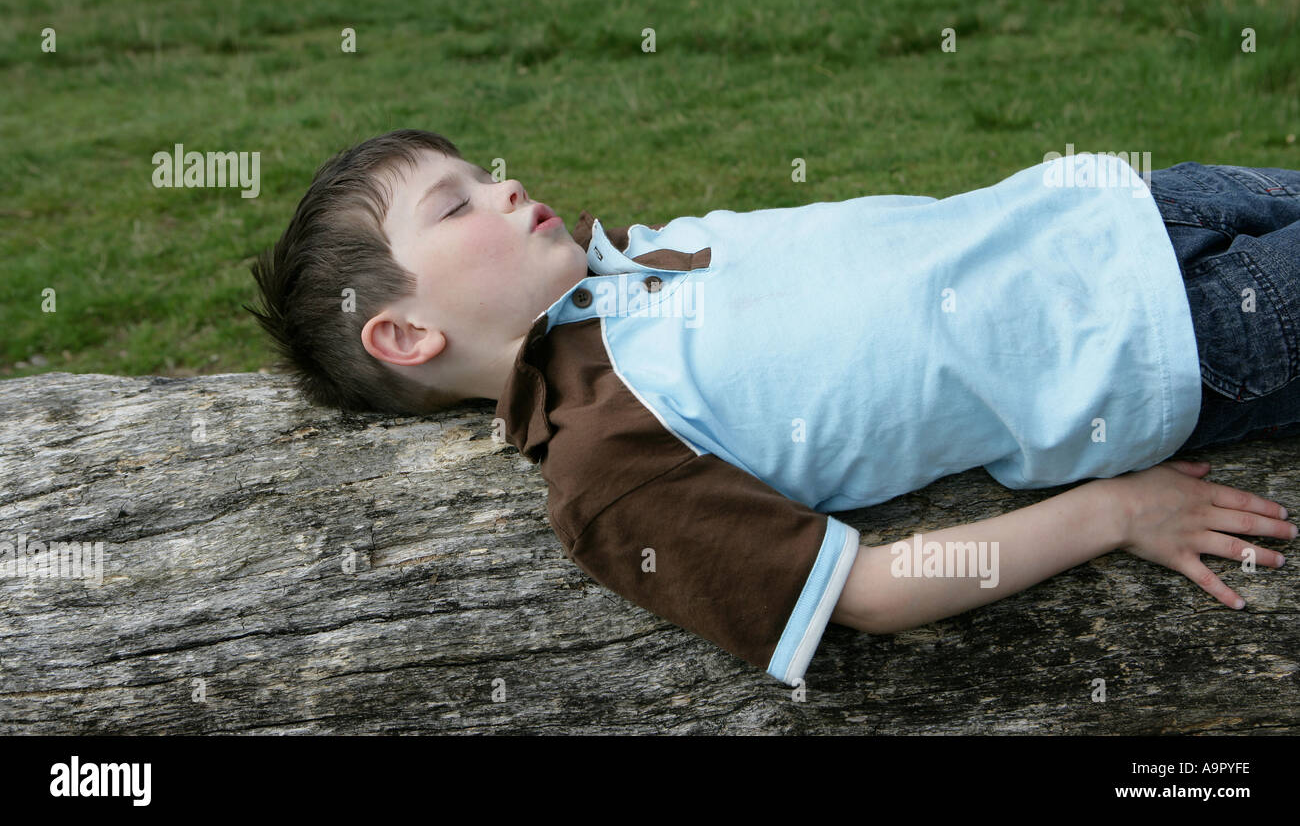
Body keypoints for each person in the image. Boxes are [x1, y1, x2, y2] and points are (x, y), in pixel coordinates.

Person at [246, 130, 1298, 685]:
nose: (502, 188)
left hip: (1128, 206)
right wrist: (1113, 512)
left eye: (480, 172)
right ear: (403, 333)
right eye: (457, 203)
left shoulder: (628, 265)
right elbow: (870, 589)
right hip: (1168, 344)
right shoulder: (603, 464)